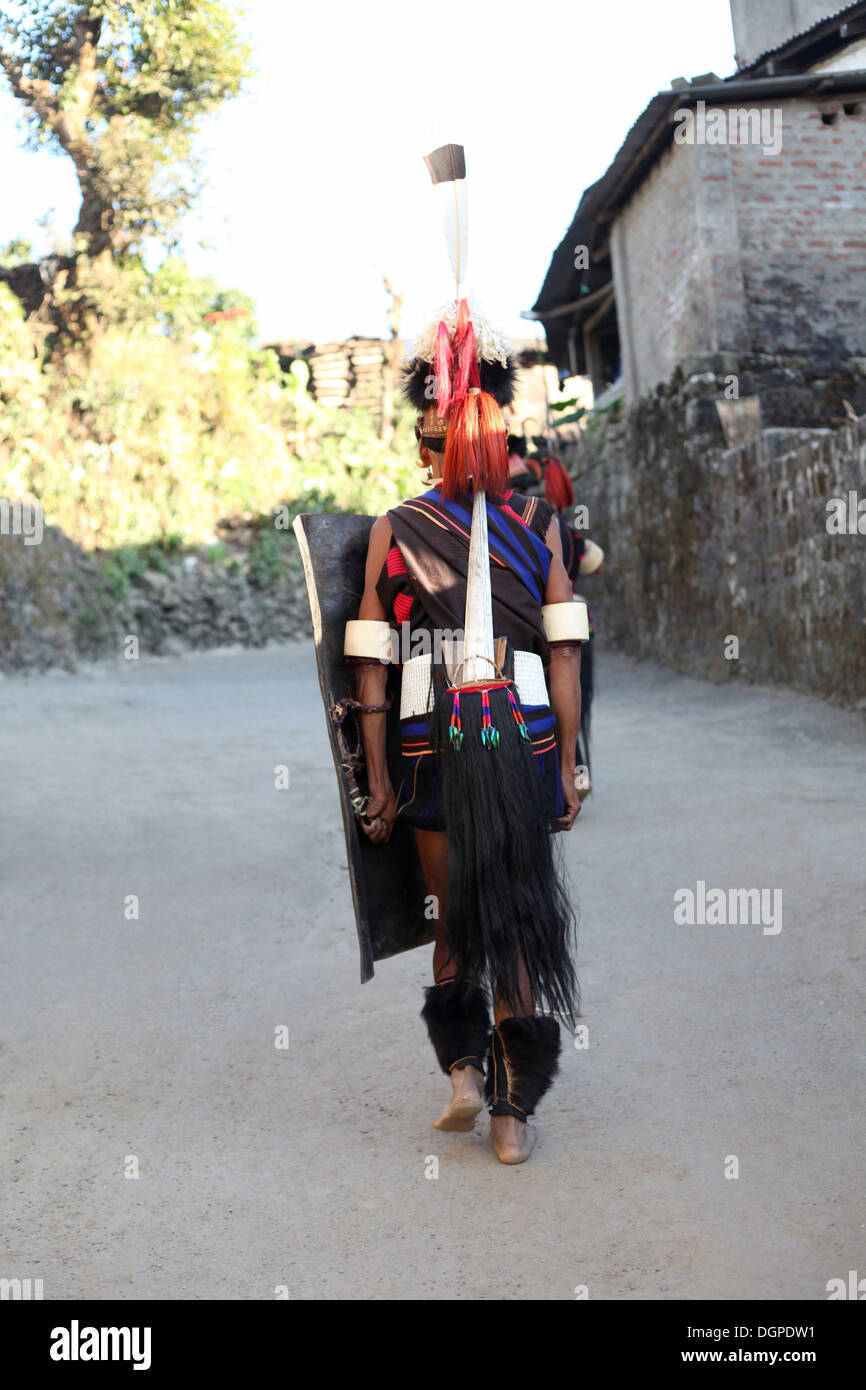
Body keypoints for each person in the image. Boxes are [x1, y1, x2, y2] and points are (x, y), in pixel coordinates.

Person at [344, 299, 588, 1164]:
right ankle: (511, 1120)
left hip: (430, 751)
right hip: (516, 746)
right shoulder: (543, 529)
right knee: (518, 921)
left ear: (426, 448)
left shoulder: (392, 529)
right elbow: (565, 661)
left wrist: (374, 778)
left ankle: (464, 1075)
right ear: (497, 444)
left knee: (454, 919)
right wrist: (571, 766)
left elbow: (369, 668)